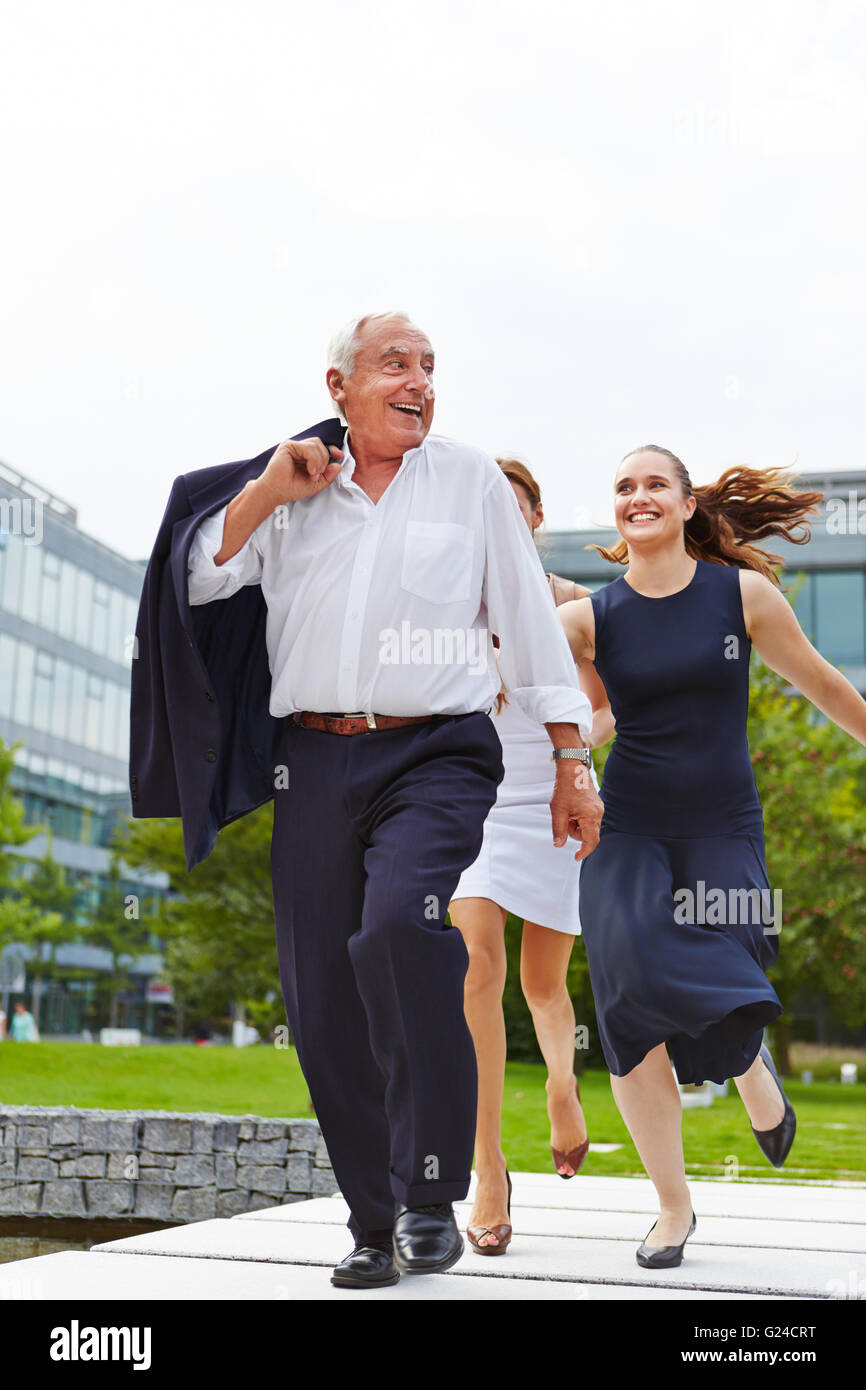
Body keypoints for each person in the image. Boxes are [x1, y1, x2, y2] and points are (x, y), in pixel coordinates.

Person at [149, 311, 604, 1289]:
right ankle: (370, 1219)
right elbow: (199, 576)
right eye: (396, 363)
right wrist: (268, 488)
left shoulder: (470, 480)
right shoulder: (295, 487)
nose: (420, 381)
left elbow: (525, 620)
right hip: (310, 760)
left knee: (400, 927)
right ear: (339, 386)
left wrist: (570, 754)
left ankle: (432, 1188)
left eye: (430, 366)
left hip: (434, 753)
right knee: (318, 1000)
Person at [559, 445, 866, 1269]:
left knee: (735, 971)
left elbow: (821, 683)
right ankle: (672, 1207)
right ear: (617, 514)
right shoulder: (591, 619)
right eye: (623, 487)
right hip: (627, 826)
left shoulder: (743, 595)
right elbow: (557, 697)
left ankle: (746, 1062)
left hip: (724, 827)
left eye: (654, 483)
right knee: (625, 988)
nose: (638, 496)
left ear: (688, 505)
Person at [449, 457, 614, 1255]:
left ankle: (560, 1083)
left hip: (550, 796)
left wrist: (573, 756)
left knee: (542, 985)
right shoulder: (446, 601)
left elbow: (605, 706)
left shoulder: (573, 604)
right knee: (476, 966)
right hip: (470, 802)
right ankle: (488, 1166)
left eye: (513, 509)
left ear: (536, 518)